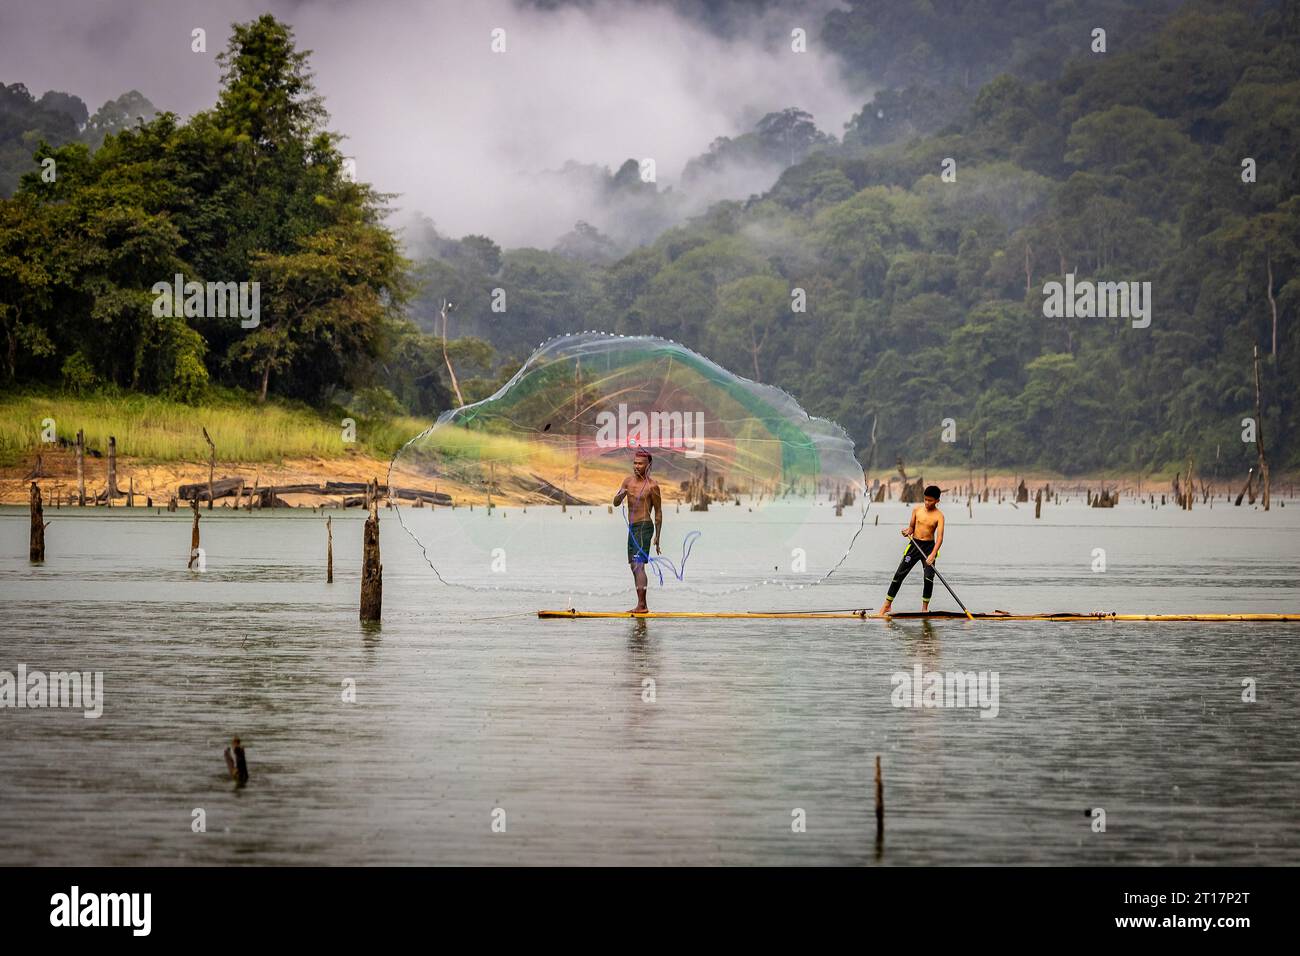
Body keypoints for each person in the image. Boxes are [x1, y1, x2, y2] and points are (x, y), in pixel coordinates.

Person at [879, 485, 945, 616]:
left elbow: (940, 539)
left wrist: (932, 555)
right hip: (914, 545)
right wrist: (907, 532)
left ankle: (924, 609)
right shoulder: (917, 510)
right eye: (925, 499)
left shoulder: (939, 516)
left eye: (930, 500)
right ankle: (887, 606)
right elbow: (911, 528)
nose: (927, 503)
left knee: (929, 578)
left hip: (929, 548)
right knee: (899, 574)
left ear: (937, 501)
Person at [613, 448, 662, 613]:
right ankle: (642, 604)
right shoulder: (627, 482)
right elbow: (615, 502)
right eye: (635, 463)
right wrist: (621, 495)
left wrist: (658, 536)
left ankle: (642, 606)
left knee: (638, 565)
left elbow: (659, 512)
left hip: (644, 526)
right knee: (634, 565)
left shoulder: (653, 486)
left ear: (648, 466)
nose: (636, 466)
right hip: (633, 528)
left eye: (640, 464)